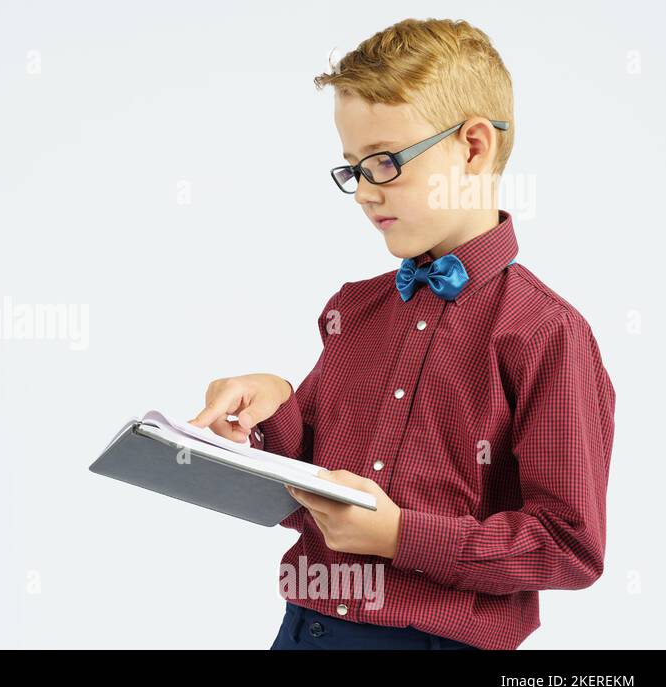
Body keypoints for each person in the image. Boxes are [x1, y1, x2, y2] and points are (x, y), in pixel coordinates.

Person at [189, 18, 616, 650]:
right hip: (304, 630)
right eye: (353, 169)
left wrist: (400, 536)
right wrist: (271, 404)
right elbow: (312, 489)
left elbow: (567, 546)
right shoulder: (354, 310)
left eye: (384, 162)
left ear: (473, 148)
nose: (363, 193)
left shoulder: (545, 333)